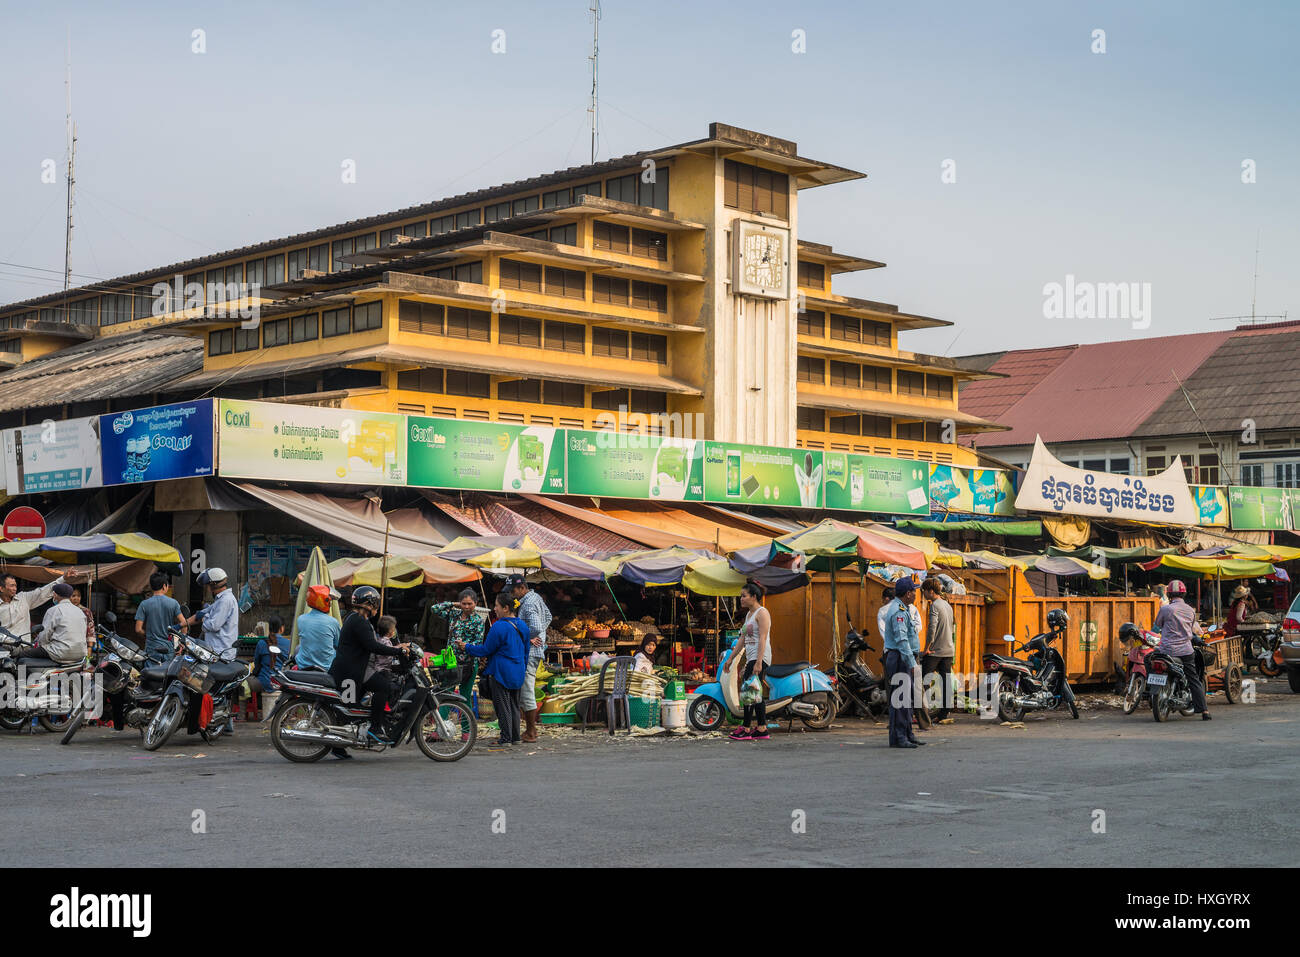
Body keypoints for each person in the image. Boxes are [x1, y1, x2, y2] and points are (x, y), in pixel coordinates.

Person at [328, 585, 412, 747]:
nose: (376, 607)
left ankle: (339, 747)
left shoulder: (353, 618)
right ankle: (375, 728)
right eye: (376, 604)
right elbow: (373, 646)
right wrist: (397, 651)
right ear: (370, 604)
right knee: (383, 687)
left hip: (349, 669)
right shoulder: (359, 621)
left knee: (349, 709)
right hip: (351, 671)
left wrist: (396, 648)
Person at [456, 591, 528, 747]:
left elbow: (485, 650)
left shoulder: (499, 626)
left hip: (501, 671)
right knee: (514, 705)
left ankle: (505, 738)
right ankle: (516, 737)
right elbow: (526, 651)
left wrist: (466, 647)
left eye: (497, 606)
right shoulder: (522, 625)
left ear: (506, 608)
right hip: (519, 670)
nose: (494, 609)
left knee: (502, 706)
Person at [1153, 579, 1210, 721]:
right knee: (1193, 678)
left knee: (1150, 661)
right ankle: (1204, 711)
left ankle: (1149, 689)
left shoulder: (1165, 609)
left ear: (1170, 594)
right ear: (1184, 594)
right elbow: (1192, 629)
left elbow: (1158, 624)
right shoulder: (1191, 610)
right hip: (1185, 650)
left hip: (1165, 650)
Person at [509, 574, 552, 744]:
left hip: (531, 651)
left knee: (527, 690)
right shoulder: (536, 597)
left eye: (513, 590)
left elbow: (536, 626)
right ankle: (529, 730)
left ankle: (531, 731)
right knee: (526, 689)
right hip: (535, 649)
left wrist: (529, 637)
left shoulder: (528, 603)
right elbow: (548, 617)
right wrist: (539, 635)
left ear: (522, 588)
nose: (512, 595)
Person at [882, 578, 924, 749]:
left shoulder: (903, 608)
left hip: (902, 657)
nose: (915, 593)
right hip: (900, 658)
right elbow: (902, 640)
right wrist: (912, 663)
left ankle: (907, 734)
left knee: (906, 699)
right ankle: (899, 737)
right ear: (908, 594)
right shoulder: (899, 611)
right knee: (901, 700)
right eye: (914, 591)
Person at [425, 588, 488, 700]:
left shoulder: (478, 621)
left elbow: (478, 642)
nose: (467, 607)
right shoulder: (454, 614)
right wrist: (453, 603)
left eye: (470, 603)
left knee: (465, 696)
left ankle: (466, 717)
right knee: (447, 693)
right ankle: (443, 718)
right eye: (464, 603)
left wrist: (466, 646)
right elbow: (434, 609)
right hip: (451, 662)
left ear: (476, 603)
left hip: (469, 664)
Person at [728, 582, 772, 741]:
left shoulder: (762, 613)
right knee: (755, 692)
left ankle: (746, 728)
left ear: (754, 597)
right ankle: (761, 729)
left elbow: (763, 638)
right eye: (741, 596)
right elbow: (742, 640)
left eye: (744, 596)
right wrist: (731, 659)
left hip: (760, 657)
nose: (741, 599)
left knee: (748, 692)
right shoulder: (748, 615)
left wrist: (758, 662)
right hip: (752, 657)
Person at [186, 568, 239, 662]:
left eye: (208, 587)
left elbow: (213, 625)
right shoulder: (220, 600)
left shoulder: (225, 601)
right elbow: (201, 613)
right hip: (216, 652)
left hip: (220, 654)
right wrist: (181, 624)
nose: (208, 590)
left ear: (213, 585)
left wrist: (204, 618)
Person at [921, 577, 955, 721]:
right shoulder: (947, 605)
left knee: (923, 681)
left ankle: (922, 714)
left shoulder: (935, 605)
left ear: (930, 591)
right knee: (946, 682)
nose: (923, 595)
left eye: (924, 592)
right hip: (948, 650)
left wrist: (926, 648)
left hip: (935, 651)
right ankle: (943, 714)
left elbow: (932, 629)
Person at [134, 573, 186, 664]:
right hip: (168, 647)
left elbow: (138, 630)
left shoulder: (144, 604)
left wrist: (148, 636)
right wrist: (182, 642)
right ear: (164, 586)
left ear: (151, 586)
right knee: (167, 674)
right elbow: (184, 623)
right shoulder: (173, 603)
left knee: (150, 675)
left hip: (151, 647)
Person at [34, 583, 89, 665]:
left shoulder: (53, 610)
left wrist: (40, 645)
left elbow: (44, 636)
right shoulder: (80, 611)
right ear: (70, 596)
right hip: (80, 654)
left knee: (23, 656)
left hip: (60, 653)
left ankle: (23, 677)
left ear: (55, 594)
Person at [0, 573, 65, 643]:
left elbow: (42, 592)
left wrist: (63, 579)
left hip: (24, 645)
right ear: (1, 588)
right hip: (4, 647)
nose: (15, 589)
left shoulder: (24, 598)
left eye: (15, 586)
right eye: (12, 586)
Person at [295, 585, 341, 671]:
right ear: (324, 601)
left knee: (298, 648)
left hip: (303, 666)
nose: (330, 604)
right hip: (327, 668)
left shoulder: (301, 619)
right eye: (329, 601)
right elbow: (339, 644)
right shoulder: (333, 622)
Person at [366, 614, 399, 681]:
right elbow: (390, 651)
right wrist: (400, 650)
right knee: (389, 687)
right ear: (390, 631)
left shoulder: (380, 639)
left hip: (378, 668)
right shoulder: (386, 642)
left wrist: (399, 646)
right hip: (383, 670)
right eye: (394, 628)